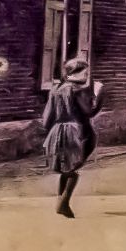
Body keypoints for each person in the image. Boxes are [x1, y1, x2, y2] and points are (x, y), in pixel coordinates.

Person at [42, 57, 104, 218]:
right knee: (72, 169)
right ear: (75, 73)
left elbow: (46, 119)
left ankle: (60, 201)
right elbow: (89, 112)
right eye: (85, 72)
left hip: (57, 131)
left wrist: (54, 129)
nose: (87, 75)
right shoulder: (77, 90)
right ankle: (64, 203)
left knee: (66, 167)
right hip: (75, 131)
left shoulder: (55, 89)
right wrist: (99, 96)